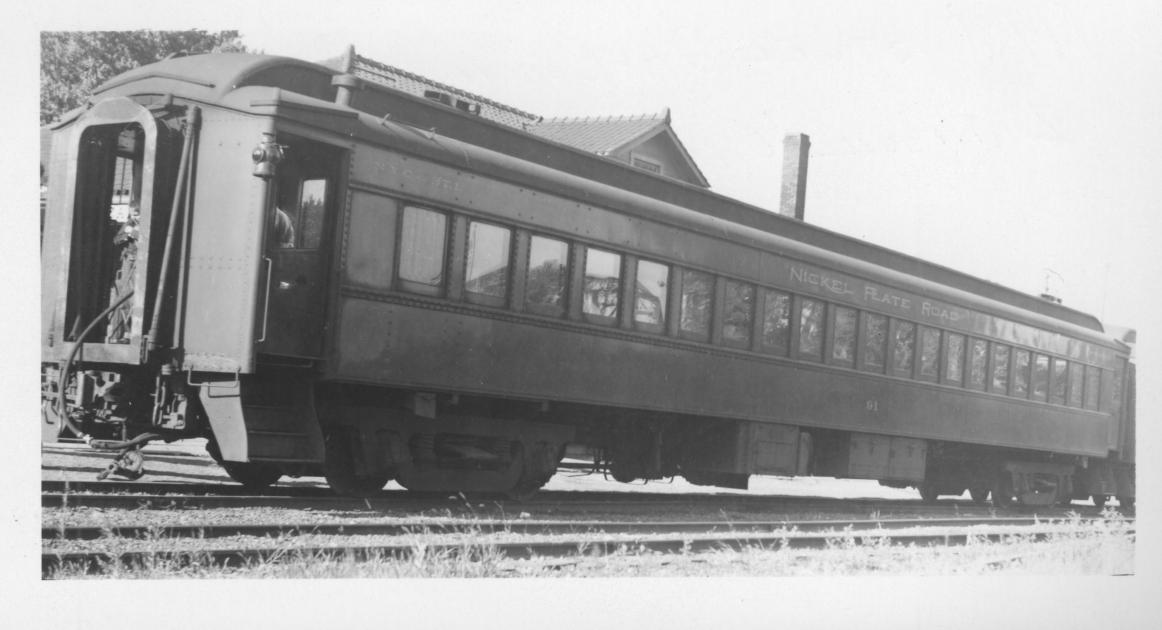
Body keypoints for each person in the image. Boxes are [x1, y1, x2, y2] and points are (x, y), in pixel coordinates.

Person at [106, 203, 139, 343]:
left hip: (138, 263)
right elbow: (116, 240)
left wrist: (134, 233)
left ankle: (129, 332)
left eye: (137, 215)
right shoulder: (129, 224)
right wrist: (127, 234)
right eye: (132, 215)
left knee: (133, 297)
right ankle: (122, 333)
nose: (134, 217)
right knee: (124, 296)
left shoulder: (140, 225)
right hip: (128, 261)